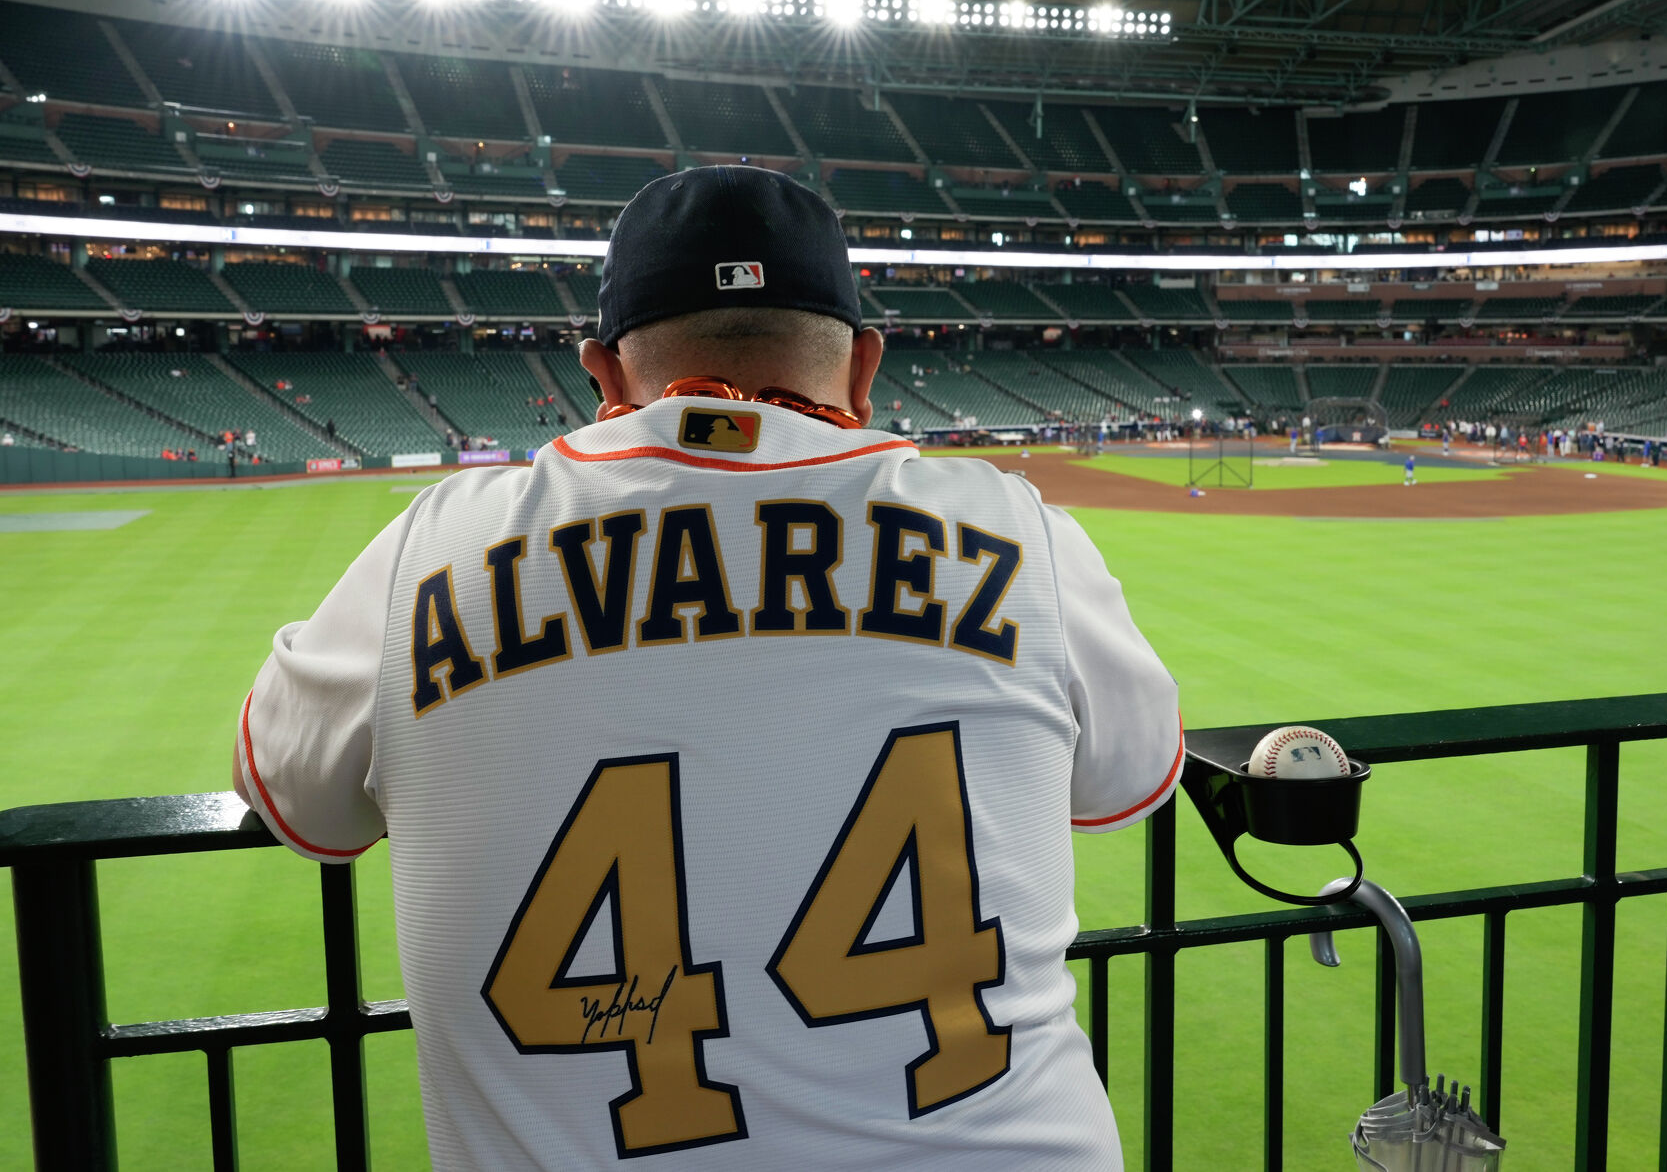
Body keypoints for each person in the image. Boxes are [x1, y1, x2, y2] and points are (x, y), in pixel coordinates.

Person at [227, 167, 1180, 1172]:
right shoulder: (1018, 532)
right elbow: (1129, 779)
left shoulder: (430, 552)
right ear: (863, 367)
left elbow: (291, 794)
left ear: (602, 374)